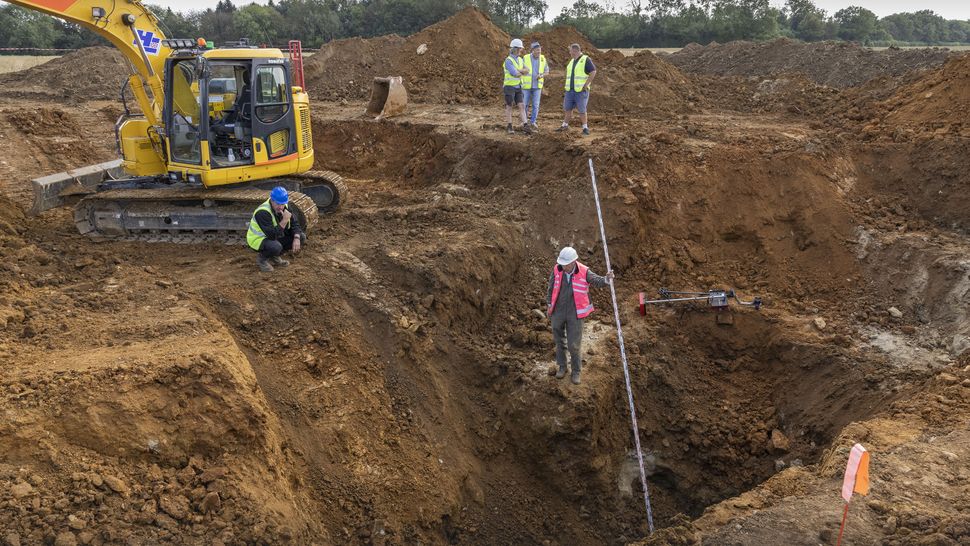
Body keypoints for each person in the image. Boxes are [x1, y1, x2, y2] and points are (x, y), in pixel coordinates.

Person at [546, 246, 613, 384]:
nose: (563, 267)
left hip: (575, 313)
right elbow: (551, 287)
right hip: (558, 310)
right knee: (559, 341)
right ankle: (562, 366)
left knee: (574, 345)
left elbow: (597, 281)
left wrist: (606, 279)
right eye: (562, 264)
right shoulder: (557, 269)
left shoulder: (584, 271)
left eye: (565, 264)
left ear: (573, 262)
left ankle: (576, 371)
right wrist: (548, 304)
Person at [247, 186, 305, 272]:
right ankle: (262, 259)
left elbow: (295, 223)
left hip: (274, 235)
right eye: (278, 204)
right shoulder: (263, 212)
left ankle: (274, 256)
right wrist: (284, 220)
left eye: (282, 204)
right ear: (272, 200)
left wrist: (296, 238)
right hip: (258, 240)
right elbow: (271, 235)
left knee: (301, 236)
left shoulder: (285, 206)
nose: (281, 207)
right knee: (276, 246)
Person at [556, 43, 597, 136]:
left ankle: (585, 128)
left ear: (575, 51)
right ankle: (564, 126)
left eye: (570, 51)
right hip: (570, 90)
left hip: (580, 90)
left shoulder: (585, 59)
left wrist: (586, 84)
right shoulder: (572, 61)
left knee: (582, 110)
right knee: (568, 109)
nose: (569, 52)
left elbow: (593, 71)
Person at [503, 38, 533, 135]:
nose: (521, 50)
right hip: (509, 87)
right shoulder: (508, 60)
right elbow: (515, 74)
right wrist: (521, 71)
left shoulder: (520, 59)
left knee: (521, 105)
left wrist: (519, 71)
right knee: (509, 106)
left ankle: (525, 125)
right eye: (520, 49)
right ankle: (509, 125)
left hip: (518, 86)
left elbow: (527, 70)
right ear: (515, 49)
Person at [521, 41, 549, 129]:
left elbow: (547, 71)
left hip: (537, 86)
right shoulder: (525, 58)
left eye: (540, 50)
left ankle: (533, 122)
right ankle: (524, 122)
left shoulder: (543, 59)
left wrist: (541, 75)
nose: (539, 52)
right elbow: (520, 69)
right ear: (532, 50)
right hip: (526, 86)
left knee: (536, 105)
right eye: (537, 50)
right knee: (524, 104)